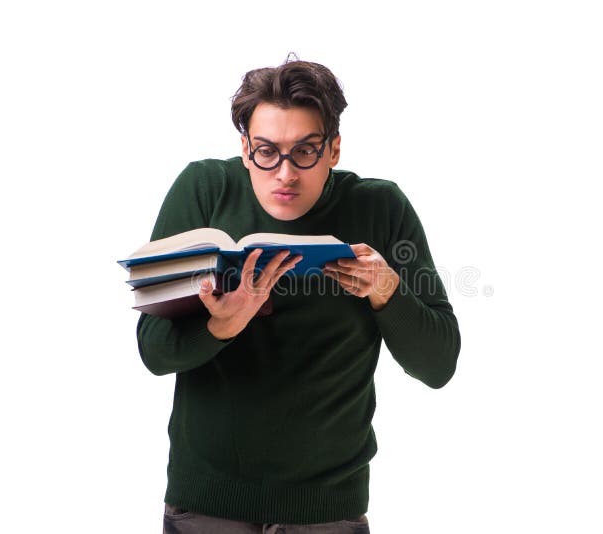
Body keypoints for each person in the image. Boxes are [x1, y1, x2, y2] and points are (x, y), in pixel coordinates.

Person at [136, 58, 461, 534]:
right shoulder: (204, 189)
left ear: (334, 150)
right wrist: (222, 325)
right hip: (207, 506)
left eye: (305, 151)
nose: (285, 173)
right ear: (245, 149)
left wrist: (388, 292)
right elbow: (153, 352)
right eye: (266, 151)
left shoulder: (381, 207)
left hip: (328, 511)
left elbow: (438, 366)